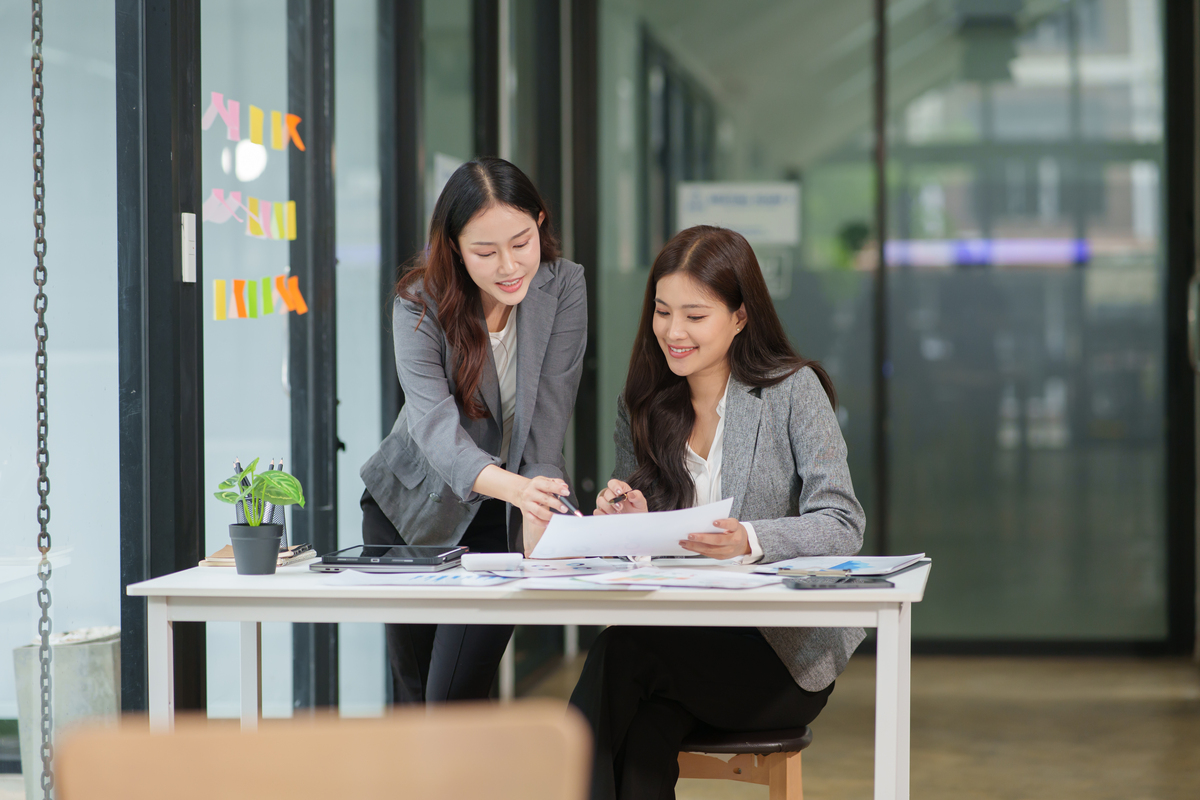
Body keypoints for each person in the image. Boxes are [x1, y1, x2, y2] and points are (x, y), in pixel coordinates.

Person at [569, 225, 866, 800]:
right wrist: (627, 518)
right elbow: (650, 543)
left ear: (740, 316)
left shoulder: (792, 391)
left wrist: (749, 538)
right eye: (661, 312)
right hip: (680, 643)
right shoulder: (644, 405)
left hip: (778, 655)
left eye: (694, 316)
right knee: (641, 736)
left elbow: (841, 521)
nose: (673, 332)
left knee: (621, 654)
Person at [359, 157, 586, 703]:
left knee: (456, 698)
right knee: (418, 697)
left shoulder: (563, 287)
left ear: (541, 222)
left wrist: (539, 504)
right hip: (408, 512)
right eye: (485, 252)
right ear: (454, 247)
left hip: (499, 516)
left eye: (521, 242)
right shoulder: (418, 302)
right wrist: (520, 490)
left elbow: (548, 422)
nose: (509, 266)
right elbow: (435, 428)